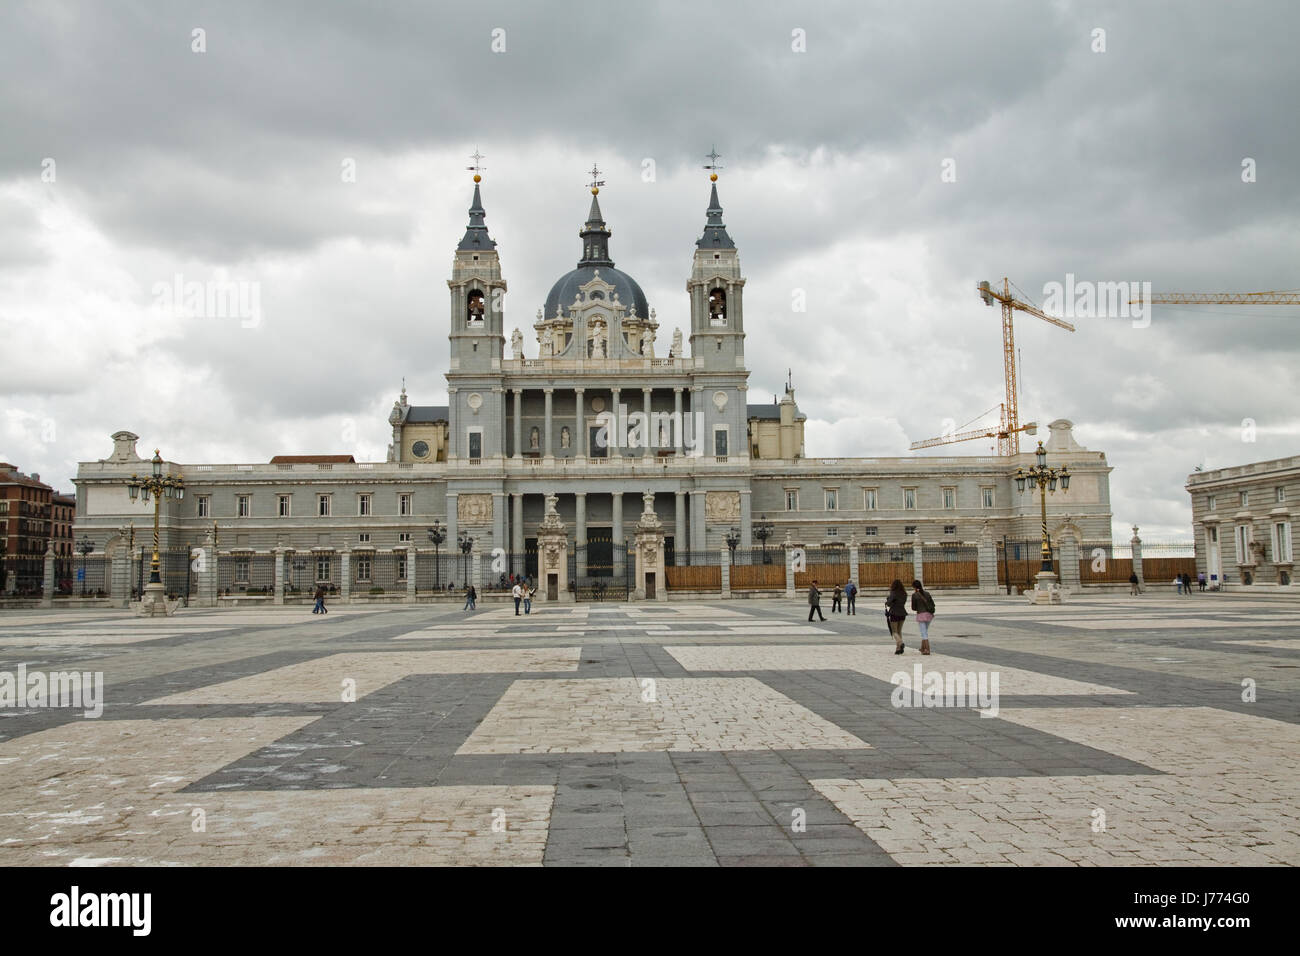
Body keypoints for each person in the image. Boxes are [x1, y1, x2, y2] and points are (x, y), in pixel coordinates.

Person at [910, 579, 935, 656]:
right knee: (925, 631)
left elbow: (913, 608)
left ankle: (927, 649)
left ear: (914, 587)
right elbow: (933, 604)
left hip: (921, 615)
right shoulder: (927, 593)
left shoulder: (914, 595)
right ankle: (922, 647)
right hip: (929, 615)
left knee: (924, 633)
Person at [885, 579, 908, 654]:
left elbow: (888, 603)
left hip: (894, 613)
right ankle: (898, 649)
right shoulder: (904, 593)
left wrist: (888, 600)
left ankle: (900, 643)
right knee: (899, 631)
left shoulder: (893, 593)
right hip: (902, 613)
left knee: (894, 631)